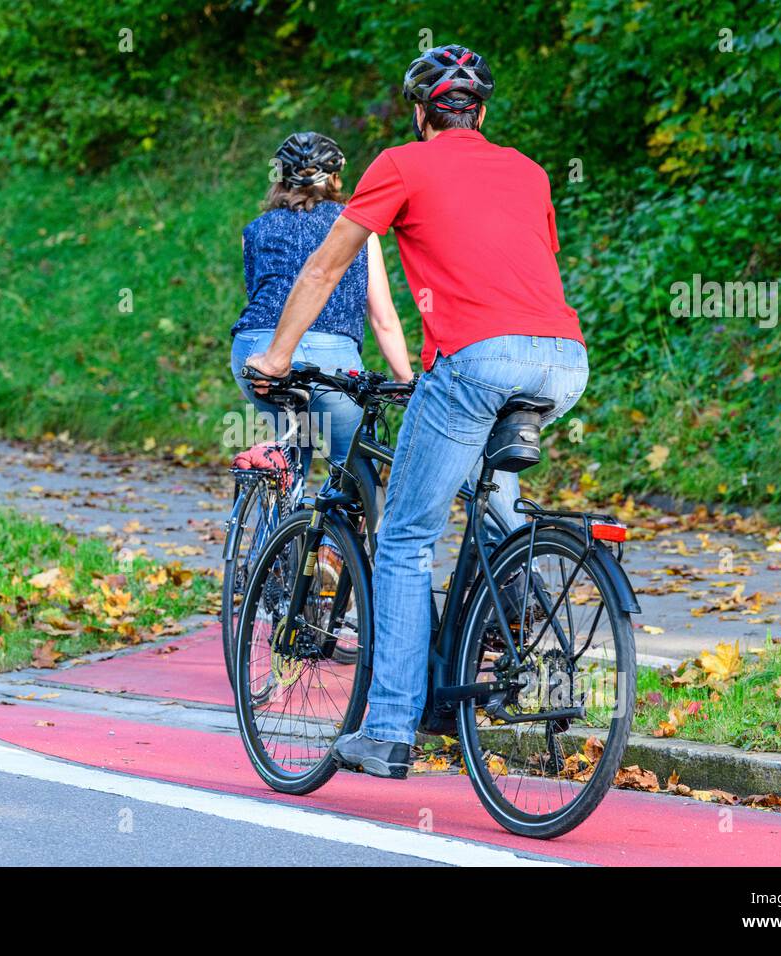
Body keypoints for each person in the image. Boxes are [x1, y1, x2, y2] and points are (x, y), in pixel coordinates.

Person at [243, 45, 589, 778]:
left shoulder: (400, 163)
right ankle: (514, 590)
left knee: (404, 536)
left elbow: (329, 264)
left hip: (475, 360)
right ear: (482, 112)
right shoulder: (527, 171)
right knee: (488, 495)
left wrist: (277, 358)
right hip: (564, 361)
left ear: (419, 111)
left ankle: (393, 729)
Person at [231, 131, 412, 479]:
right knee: (354, 465)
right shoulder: (356, 227)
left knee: (294, 441)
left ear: (279, 178)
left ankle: (282, 505)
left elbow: (261, 299)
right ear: (335, 178)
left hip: (256, 348)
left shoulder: (254, 230)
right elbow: (383, 317)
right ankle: (337, 527)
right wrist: (404, 380)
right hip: (331, 356)